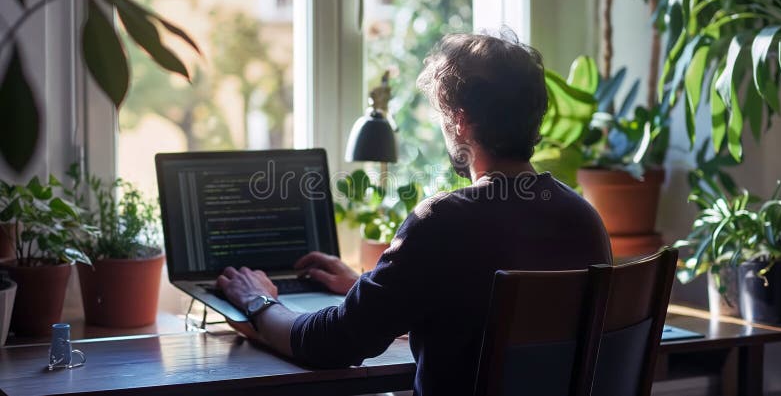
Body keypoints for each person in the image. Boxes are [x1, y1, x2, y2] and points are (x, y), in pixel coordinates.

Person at [217, 32, 612, 396]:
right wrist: (370, 287)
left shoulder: (444, 222)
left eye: (442, 116)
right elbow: (485, 316)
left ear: (460, 120)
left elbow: (333, 343)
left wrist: (258, 303)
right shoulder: (584, 221)